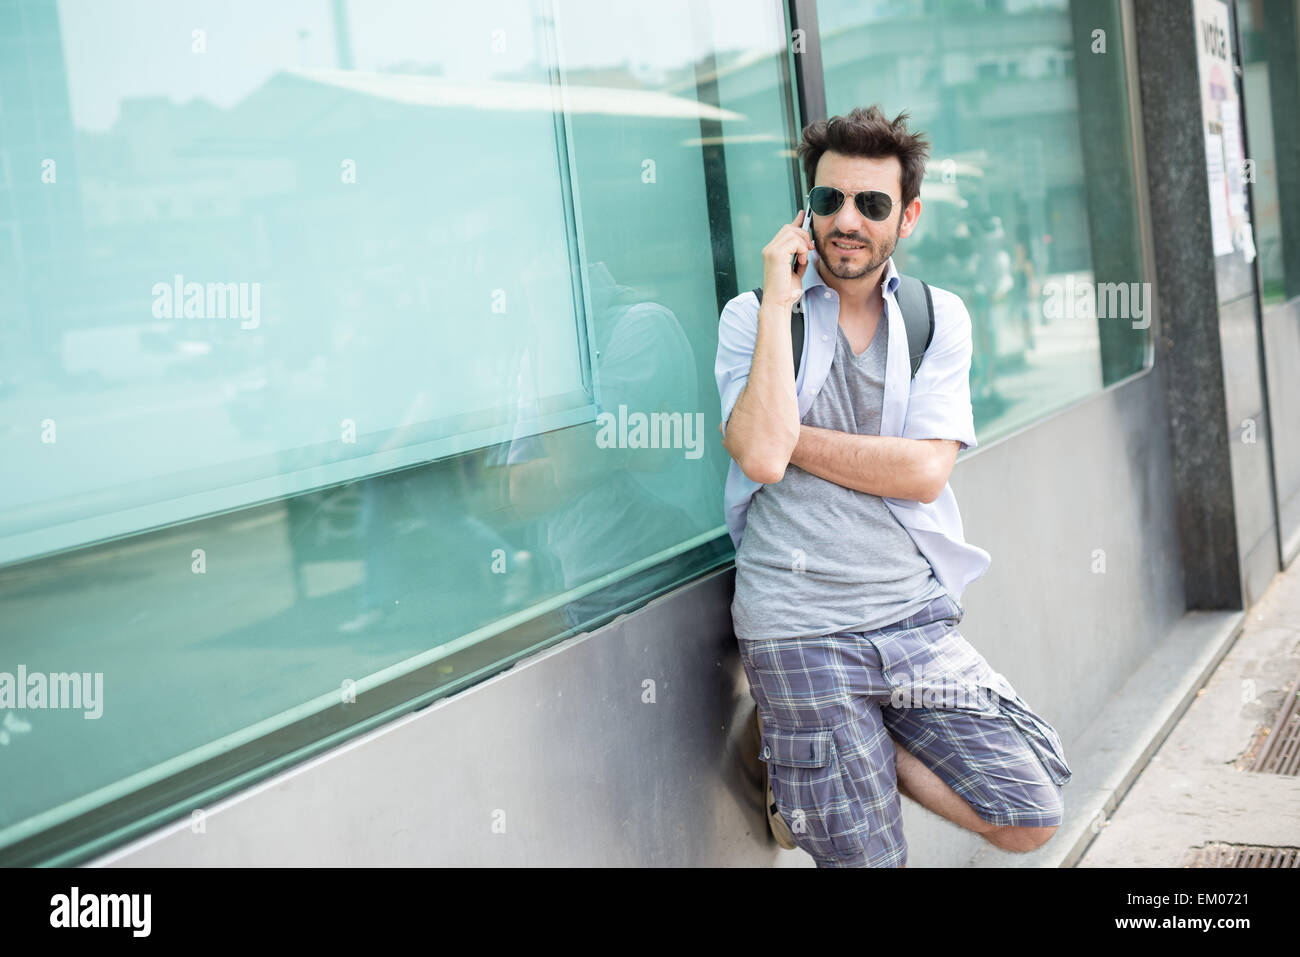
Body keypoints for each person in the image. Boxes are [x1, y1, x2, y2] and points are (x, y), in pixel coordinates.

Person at [715, 105, 1072, 867]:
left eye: (871, 204)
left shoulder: (937, 317)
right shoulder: (754, 318)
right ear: (805, 205)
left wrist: (786, 437)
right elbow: (757, 457)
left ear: (906, 216)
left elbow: (923, 471)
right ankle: (808, 736)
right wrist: (780, 300)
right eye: (827, 199)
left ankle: (800, 746)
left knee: (1030, 809)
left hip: (911, 617)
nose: (846, 219)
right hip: (799, 626)